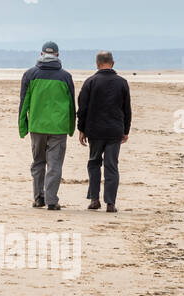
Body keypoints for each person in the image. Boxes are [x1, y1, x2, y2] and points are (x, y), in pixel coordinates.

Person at [18, 40, 76, 210]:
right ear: (57, 55)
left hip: (37, 127)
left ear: (41, 54)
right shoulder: (65, 76)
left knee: (38, 163)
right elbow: (72, 104)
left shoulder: (30, 74)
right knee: (54, 164)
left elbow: (24, 103)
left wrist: (23, 126)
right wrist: (71, 126)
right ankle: (51, 200)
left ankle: (38, 198)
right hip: (58, 128)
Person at [77, 50, 132, 212]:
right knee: (111, 166)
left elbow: (82, 108)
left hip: (94, 130)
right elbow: (127, 109)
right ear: (112, 63)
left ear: (97, 64)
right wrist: (126, 129)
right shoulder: (122, 82)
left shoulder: (90, 82)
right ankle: (110, 202)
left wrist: (81, 129)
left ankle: (95, 199)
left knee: (94, 163)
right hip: (115, 130)